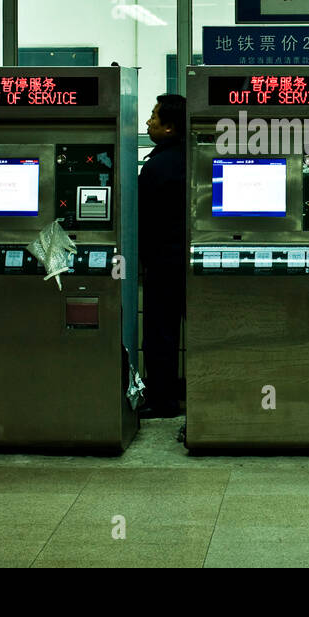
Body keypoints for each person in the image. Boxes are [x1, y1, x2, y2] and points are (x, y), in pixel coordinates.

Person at [137, 94, 186, 419]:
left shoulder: (157, 166)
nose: (148, 122)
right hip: (191, 261)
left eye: (154, 116)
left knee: (160, 334)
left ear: (169, 127)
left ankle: (162, 401)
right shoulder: (190, 158)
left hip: (162, 264)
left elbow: (142, 219)